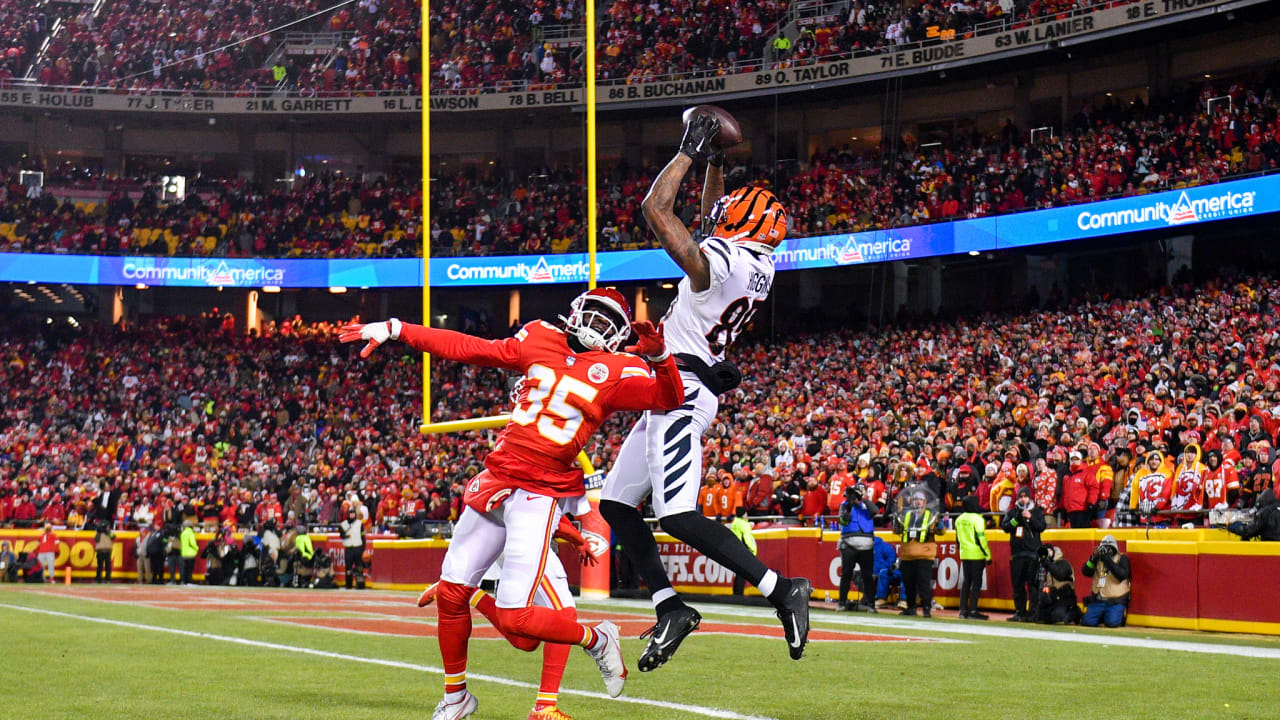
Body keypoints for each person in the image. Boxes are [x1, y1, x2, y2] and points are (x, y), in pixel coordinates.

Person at [340, 287, 684, 719]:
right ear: (576, 312)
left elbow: (669, 399)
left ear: (619, 335)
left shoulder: (619, 369)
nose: (596, 327)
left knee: (518, 620)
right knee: (451, 594)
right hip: (497, 476)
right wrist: (396, 328)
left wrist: (661, 358)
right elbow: (469, 347)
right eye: (593, 315)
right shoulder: (539, 336)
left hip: (538, 491)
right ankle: (455, 697)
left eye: (608, 321)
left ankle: (597, 639)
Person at [598, 110, 810, 672]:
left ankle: (780, 588)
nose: (718, 214)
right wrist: (717, 161)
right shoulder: (756, 265)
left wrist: (691, 149)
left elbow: (657, 211)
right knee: (617, 503)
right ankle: (671, 607)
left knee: (676, 514)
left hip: (681, 390)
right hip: (678, 379)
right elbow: (707, 223)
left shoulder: (722, 260)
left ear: (742, 222)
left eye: (728, 212)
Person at [1000, 487, 1046, 621]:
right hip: (1017, 554)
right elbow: (1005, 527)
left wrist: (1030, 518)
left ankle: (1032, 613)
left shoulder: (1036, 511)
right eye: (1020, 497)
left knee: (1033, 585)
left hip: (1032, 554)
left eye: (1025, 497)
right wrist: (1017, 519)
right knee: (1018, 585)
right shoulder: (1012, 512)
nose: (1023, 499)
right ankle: (1019, 612)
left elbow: (1041, 527)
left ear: (1030, 498)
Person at [896, 491, 938, 617]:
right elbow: (898, 530)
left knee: (923, 583)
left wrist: (938, 525)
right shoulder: (906, 515)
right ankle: (911, 607)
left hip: (924, 555)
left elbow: (939, 530)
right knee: (909, 584)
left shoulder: (930, 515)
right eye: (915, 499)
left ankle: (926, 608)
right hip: (908, 554)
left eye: (920, 499)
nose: (918, 502)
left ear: (924, 502)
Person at [836, 483, 877, 611]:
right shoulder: (844, 504)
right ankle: (842, 602)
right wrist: (850, 504)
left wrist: (863, 499)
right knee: (846, 574)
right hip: (849, 543)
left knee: (867, 575)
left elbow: (875, 511)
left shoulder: (867, 504)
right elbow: (843, 520)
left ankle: (871, 604)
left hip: (866, 543)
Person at [1080, 535, 1131, 627]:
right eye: (1104, 548)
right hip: (1099, 600)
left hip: (1116, 600)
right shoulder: (1097, 559)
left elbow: (1122, 575)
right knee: (1087, 622)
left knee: (1112, 623)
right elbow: (1085, 571)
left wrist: (1108, 561)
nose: (1106, 551)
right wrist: (1093, 558)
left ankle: (1113, 615)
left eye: (1109, 548)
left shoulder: (1121, 558)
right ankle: (1102, 615)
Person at [955, 495, 991, 620]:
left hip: (964, 553)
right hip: (976, 554)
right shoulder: (978, 519)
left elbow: (957, 539)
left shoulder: (959, 519)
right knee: (976, 583)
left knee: (966, 582)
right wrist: (988, 555)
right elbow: (981, 539)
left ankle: (962, 610)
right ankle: (973, 610)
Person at [1034, 545, 1081, 625]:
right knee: (1039, 618)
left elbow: (1060, 574)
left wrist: (1048, 564)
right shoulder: (1043, 566)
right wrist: (1037, 563)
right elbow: (1034, 582)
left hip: (1064, 599)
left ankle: (1075, 612)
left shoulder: (1063, 563)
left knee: (1058, 618)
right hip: (1050, 599)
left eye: (1049, 551)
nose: (1047, 554)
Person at [727, 507, 757, 596]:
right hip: (744, 551)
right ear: (744, 514)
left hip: (736, 549)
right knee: (743, 574)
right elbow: (747, 539)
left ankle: (736, 593)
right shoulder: (744, 524)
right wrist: (752, 550)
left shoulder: (735, 523)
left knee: (739, 573)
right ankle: (739, 594)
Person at [338, 506, 365, 589]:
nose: (352, 515)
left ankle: (360, 584)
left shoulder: (359, 523)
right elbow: (341, 535)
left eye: (353, 513)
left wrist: (363, 548)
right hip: (349, 547)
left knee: (359, 567)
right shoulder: (343, 524)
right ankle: (348, 584)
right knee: (348, 568)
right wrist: (345, 536)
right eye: (350, 513)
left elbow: (363, 536)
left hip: (358, 547)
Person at [871, 535, 900, 608]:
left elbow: (892, 558)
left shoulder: (883, 546)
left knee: (883, 573)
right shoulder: (865, 547)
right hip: (872, 573)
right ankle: (873, 599)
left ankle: (881, 598)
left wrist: (882, 568)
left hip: (879, 572)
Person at [179, 520, 198, 585]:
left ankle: (184, 581)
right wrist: (197, 548)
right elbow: (192, 543)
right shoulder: (190, 532)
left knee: (185, 568)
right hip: (191, 553)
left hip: (184, 553)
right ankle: (189, 581)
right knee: (190, 568)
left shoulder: (183, 533)